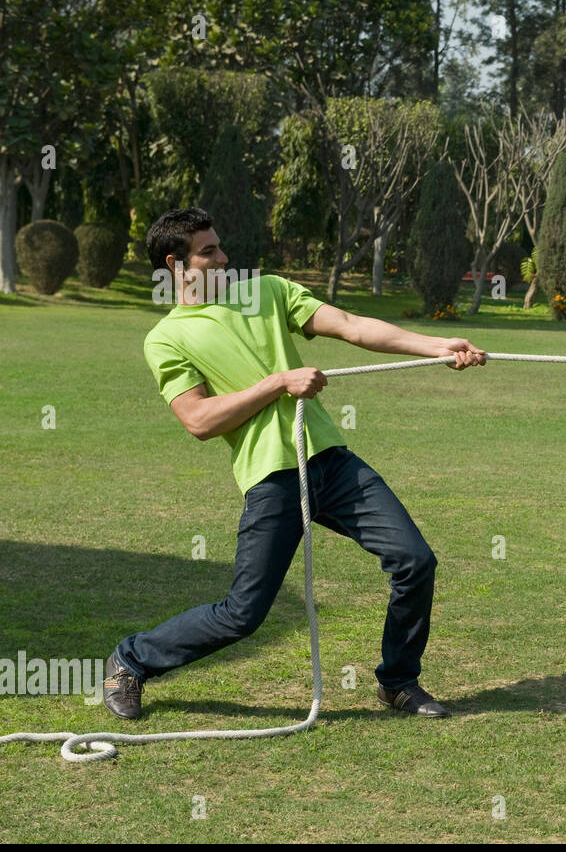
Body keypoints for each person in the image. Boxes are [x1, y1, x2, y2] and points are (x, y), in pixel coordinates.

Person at [103, 207, 485, 720]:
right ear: (176, 264)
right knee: (243, 615)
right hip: (272, 477)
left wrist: (437, 346)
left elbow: (349, 325)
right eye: (208, 251)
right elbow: (197, 419)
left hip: (330, 460)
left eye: (220, 245)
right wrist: (278, 382)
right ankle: (131, 660)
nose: (224, 256)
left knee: (415, 560)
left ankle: (398, 682)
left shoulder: (267, 291)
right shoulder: (167, 338)